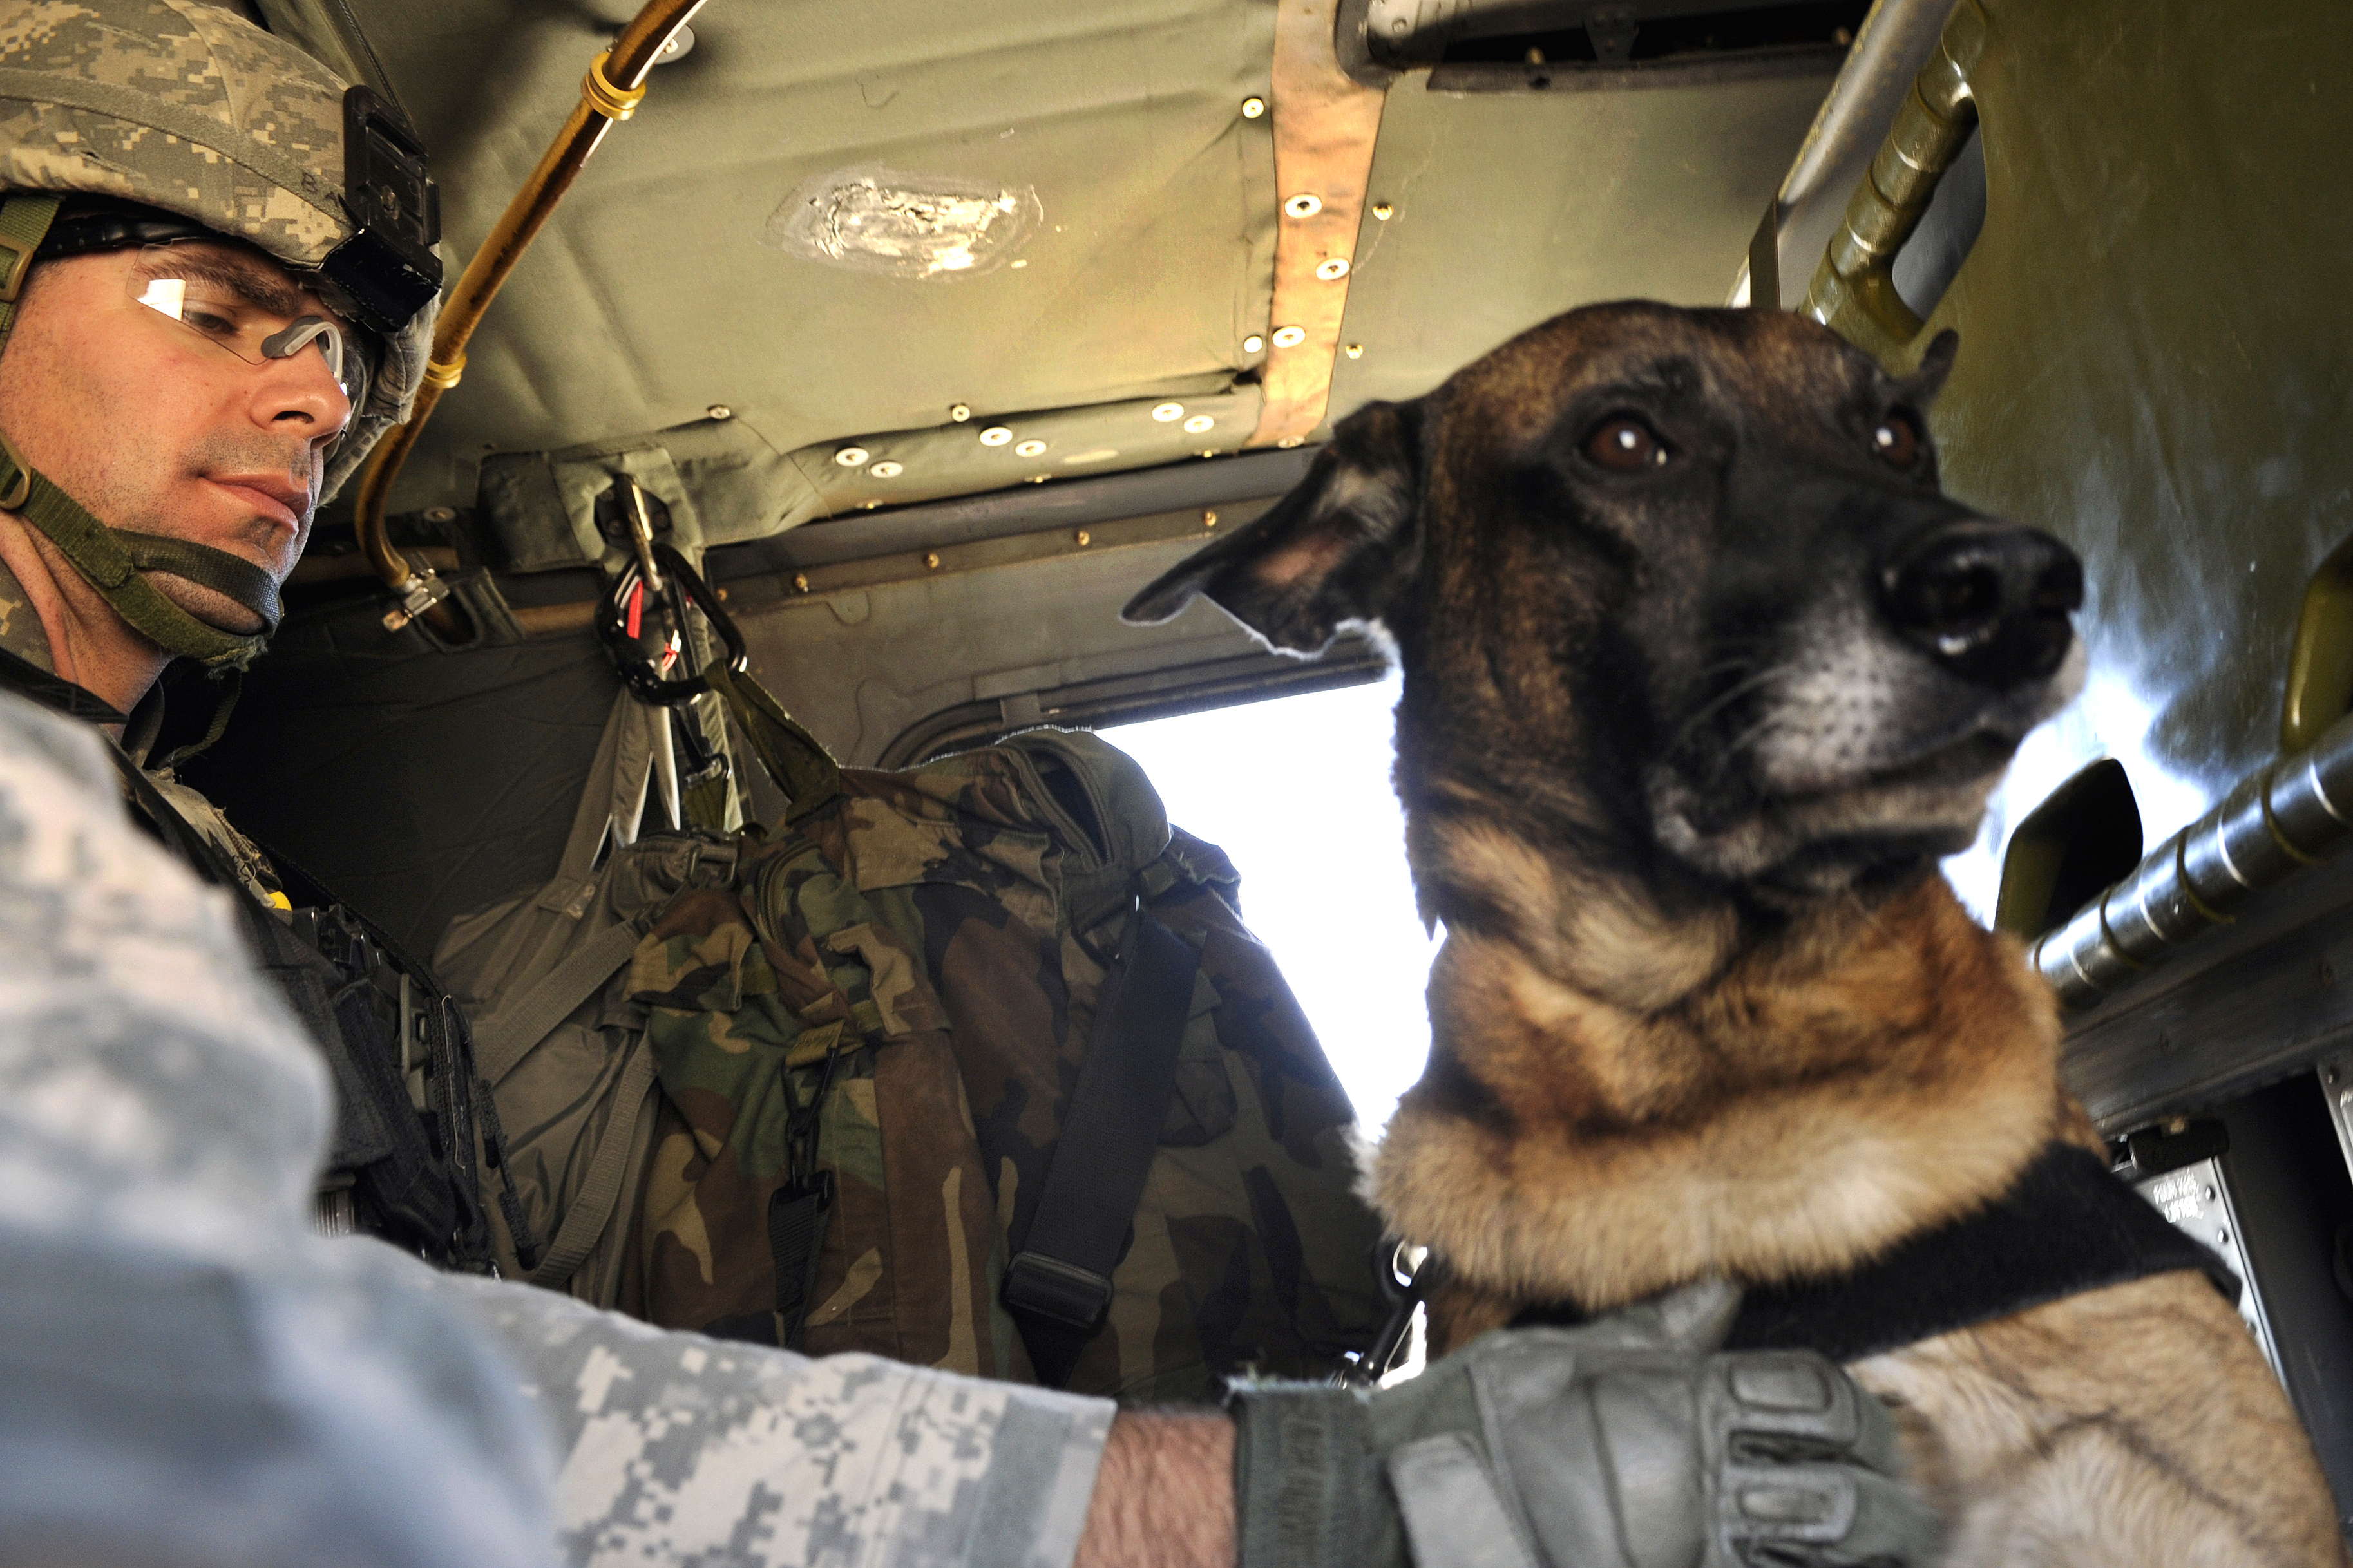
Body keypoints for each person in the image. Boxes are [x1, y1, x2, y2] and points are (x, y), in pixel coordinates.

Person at [0, 5, 1945, 1567]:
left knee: (1047, 836)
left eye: (337, 359)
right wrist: (1316, 1502)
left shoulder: (156, 829)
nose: (313, 403)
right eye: (213, 314)